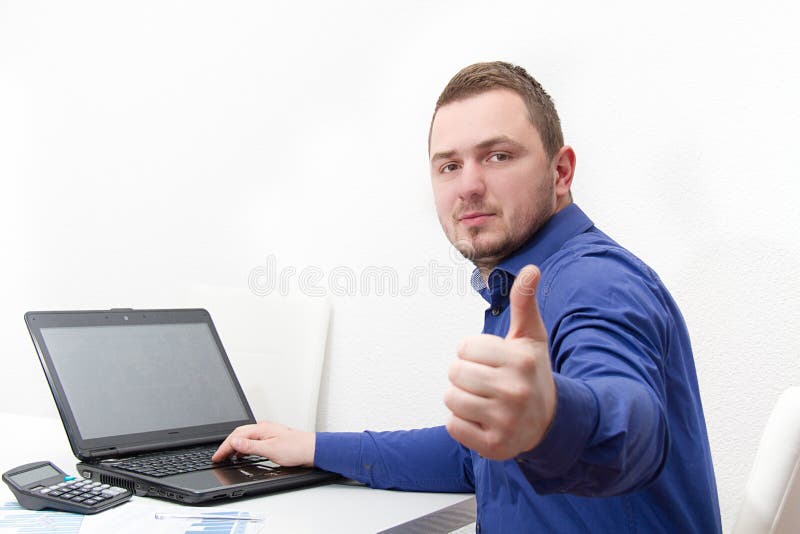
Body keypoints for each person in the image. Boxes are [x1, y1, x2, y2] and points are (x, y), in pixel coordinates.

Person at [213, 61, 722, 532]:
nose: (469, 186)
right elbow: (471, 456)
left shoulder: (594, 281)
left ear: (560, 172)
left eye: (498, 156)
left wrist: (553, 418)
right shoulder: (521, 284)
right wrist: (314, 446)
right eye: (449, 166)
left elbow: (631, 424)